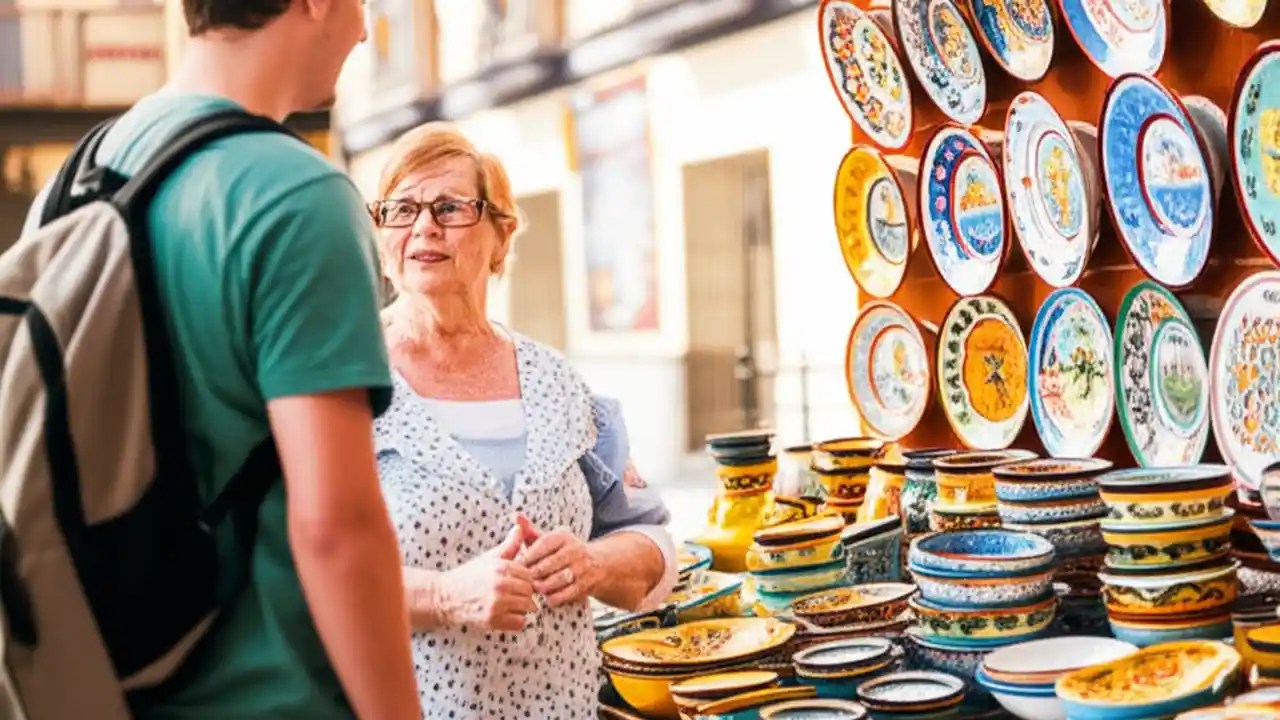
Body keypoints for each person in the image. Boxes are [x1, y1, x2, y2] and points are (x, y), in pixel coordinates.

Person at [21, 1, 420, 718]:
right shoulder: (301, 197)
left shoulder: (74, 179)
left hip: (97, 683)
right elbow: (336, 525)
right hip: (266, 696)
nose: (364, 29)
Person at [369, 122, 678, 718]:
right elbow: (291, 579)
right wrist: (445, 595)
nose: (424, 226)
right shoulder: (343, 384)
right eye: (401, 209)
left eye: (451, 208)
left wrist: (595, 564)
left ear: (501, 236)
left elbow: (654, 548)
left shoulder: (556, 383)